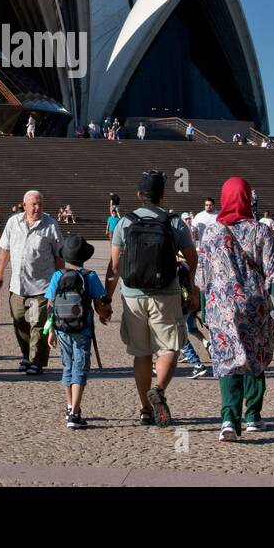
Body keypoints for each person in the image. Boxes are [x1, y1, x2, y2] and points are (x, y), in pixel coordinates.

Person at [102, 170, 199, 428]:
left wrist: (107, 300)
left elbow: (114, 266)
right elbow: (192, 258)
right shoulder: (174, 222)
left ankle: (145, 409)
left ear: (138, 195)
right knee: (169, 347)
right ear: (162, 195)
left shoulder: (125, 222)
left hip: (133, 294)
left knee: (141, 352)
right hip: (166, 292)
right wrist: (193, 286)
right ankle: (159, 391)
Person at [196, 177, 274, 440]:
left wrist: (205, 310)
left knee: (228, 361)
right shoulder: (261, 230)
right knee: (255, 359)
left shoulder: (211, 232)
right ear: (247, 198)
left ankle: (228, 421)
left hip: (222, 308)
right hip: (255, 306)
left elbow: (203, 277)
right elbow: (273, 274)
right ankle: (253, 417)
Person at [0, 190, 63, 375]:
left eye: (40, 204)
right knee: (19, 320)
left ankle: (36, 361)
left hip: (41, 286)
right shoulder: (13, 222)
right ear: (24, 205)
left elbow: (59, 255)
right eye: (33, 204)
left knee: (38, 324)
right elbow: (5, 249)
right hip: (17, 285)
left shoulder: (51, 225)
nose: (37, 207)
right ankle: (26, 354)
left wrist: (59, 280)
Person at [43, 234, 108, 428]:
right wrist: (106, 314)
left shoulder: (57, 275)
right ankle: (75, 414)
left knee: (67, 366)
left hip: (62, 329)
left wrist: (51, 330)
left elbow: (49, 305)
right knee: (80, 367)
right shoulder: (90, 276)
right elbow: (99, 305)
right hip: (83, 328)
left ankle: (70, 406)